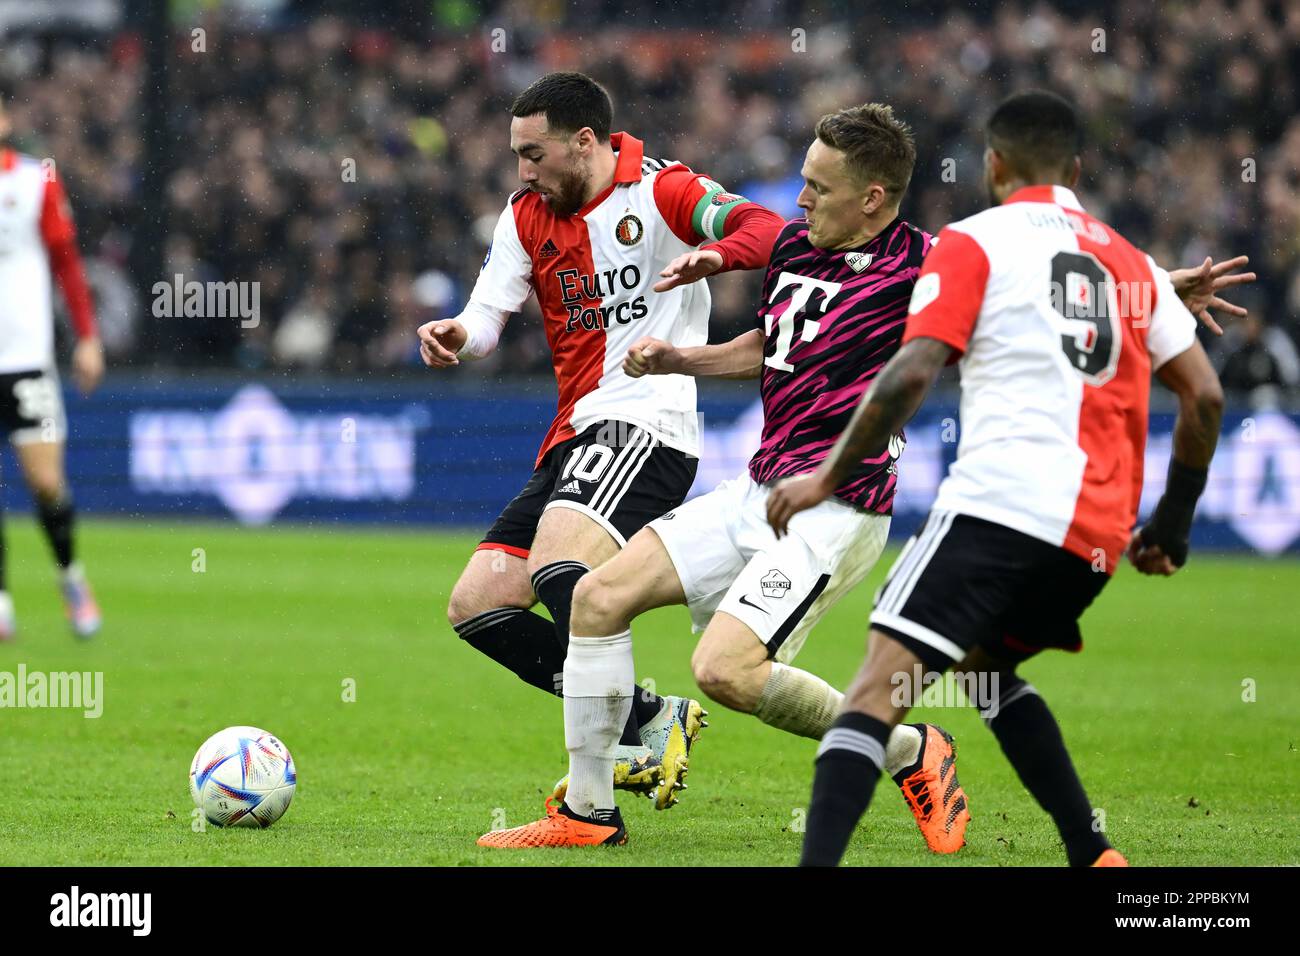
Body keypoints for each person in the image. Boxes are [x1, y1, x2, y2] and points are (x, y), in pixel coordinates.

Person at [477, 104, 971, 851]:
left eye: (817, 187)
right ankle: (587, 813)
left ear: (872, 197)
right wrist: (682, 359)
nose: (798, 201)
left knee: (725, 673)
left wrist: (1150, 299)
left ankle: (910, 752)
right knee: (596, 598)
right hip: (757, 490)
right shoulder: (800, 247)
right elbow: (770, 345)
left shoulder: (926, 263)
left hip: (836, 508)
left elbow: (1037, 295)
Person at [766, 90, 1230, 867]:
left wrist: (824, 478)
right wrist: (1172, 527)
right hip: (1095, 536)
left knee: (875, 692)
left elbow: (913, 369)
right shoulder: (1131, 261)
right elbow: (1206, 396)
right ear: (1077, 169)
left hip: (999, 506)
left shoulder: (972, 241)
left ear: (994, 164)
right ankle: (1094, 853)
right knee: (985, 671)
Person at [417, 72, 784, 804]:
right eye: (517, 155)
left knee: (560, 566)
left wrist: (715, 254)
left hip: (649, 421)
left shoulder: (664, 191)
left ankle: (595, 795)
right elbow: (489, 313)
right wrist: (461, 332)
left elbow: (767, 231)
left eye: (535, 153)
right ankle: (650, 718)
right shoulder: (525, 214)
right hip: (575, 432)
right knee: (477, 605)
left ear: (585, 141)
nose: (523, 170)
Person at [0, 94, 103, 641]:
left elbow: (66, 262)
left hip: (24, 359)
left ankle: (70, 577)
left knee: (44, 482)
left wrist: (87, 338)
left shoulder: (34, 181)